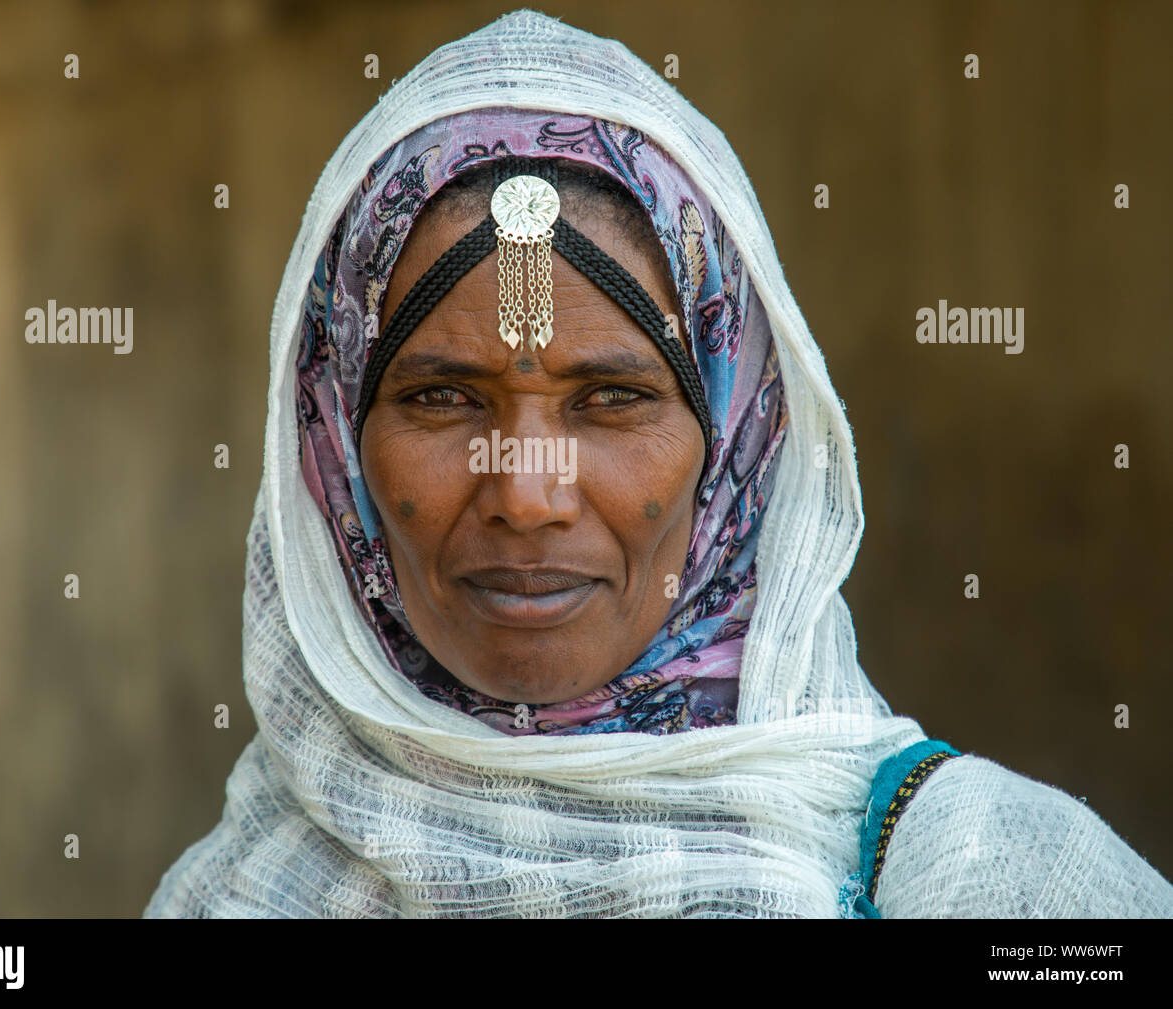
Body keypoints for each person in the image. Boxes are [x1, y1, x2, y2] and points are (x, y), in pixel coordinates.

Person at [144, 10, 1173, 918]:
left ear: (737, 448)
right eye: (443, 397)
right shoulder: (235, 894)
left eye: (612, 400)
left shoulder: (992, 881)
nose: (528, 494)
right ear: (331, 446)